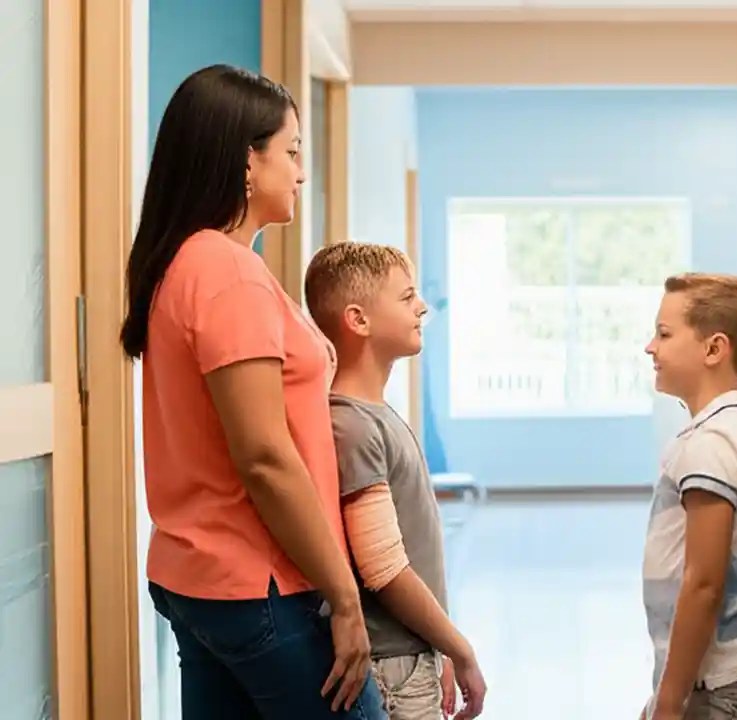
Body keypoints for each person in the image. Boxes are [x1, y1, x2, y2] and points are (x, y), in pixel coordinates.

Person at [120, 65, 382, 718]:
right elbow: (264, 456)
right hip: (262, 583)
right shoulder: (228, 272)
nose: (301, 171)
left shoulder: (181, 263)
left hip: (197, 580)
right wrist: (344, 598)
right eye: (291, 151)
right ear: (246, 160)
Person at [305, 243, 488, 720]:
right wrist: (460, 647)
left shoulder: (373, 416)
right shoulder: (353, 426)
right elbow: (383, 569)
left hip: (410, 654)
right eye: (407, 298)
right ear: (358, 320)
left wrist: (438, 646)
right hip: (391, 669)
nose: (422, 307)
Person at [641, 273, 737, 720]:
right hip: (711, 675)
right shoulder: (718, 431)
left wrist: (668, 701)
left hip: (718, 678)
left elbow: (704, 585)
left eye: (664, 334)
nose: (650, 347)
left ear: (714, 349)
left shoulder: (713, 444)